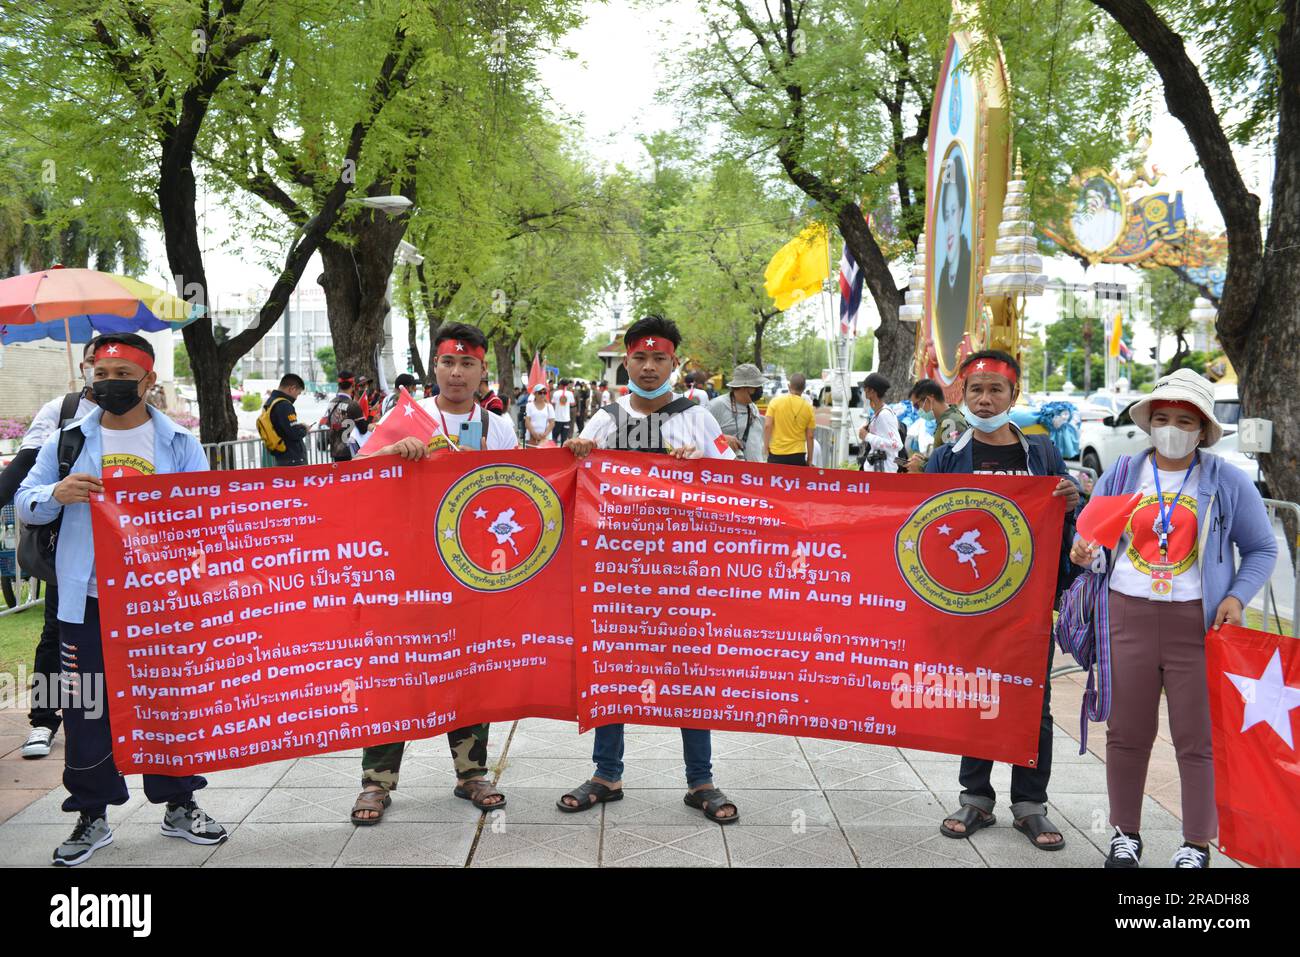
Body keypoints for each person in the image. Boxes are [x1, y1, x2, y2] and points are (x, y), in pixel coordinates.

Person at [15, 334, 227, 866]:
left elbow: (202, 515)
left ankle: (180, 802)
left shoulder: (177, 442)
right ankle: (92, 814)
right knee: (87, 706)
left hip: (158, 603)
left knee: (169, 703)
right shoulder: (67, 440)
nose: (109, 383)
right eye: (101, 373)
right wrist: (56, 494)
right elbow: (26, 502)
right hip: (84, 600)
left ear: (148, 380)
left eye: (121, 375)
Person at [1069, 369, 1277, 869]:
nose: (1171, 428)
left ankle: (1194, 844)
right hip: (1127, 616)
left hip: (1197, 626)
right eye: (1161, 418)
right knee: (1126, 732)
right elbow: (1100, 547)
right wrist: (1084, 554)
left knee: (1196, 737)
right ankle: (1125, 834)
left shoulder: (1225, 479)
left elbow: (1261, 548)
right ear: (1147, 423)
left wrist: (1237, 596)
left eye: (1185, 420)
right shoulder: (1122, 473)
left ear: (1203, 429)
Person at [560, 314, 740, 824]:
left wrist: (699, 472)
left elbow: (736, 490)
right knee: (611, 668)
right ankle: (606, 774)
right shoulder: (603, 418)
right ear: (626, 361)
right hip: (615, 575)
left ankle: (700, 780)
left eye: (659, 357)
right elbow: (569, 484)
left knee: (689, 672)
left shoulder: (698, 419)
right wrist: (575, 455)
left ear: (674, 363)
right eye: (639, 356)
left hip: (682, 573)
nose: (647, 366)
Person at [349, 322, 517, 825]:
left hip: (467, 573)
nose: (457, 372)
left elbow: (514, 493)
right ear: (435, 368)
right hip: (405, 570)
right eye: (448, 362)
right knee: (394, 670)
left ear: (483, 370)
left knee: (469, 670)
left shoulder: (496, 427)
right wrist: (391, 454)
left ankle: (472, 773)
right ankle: (376, 783)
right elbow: (355, 480)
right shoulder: (406, 417)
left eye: (468, 364)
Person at [927, 349, 1081, 851]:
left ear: (1014, 396)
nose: (986, 399)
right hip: (970, 603)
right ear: (962, 396)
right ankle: (976, 798)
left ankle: (1029, 804)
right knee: (977, 695)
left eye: (997, 389)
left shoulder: (1041, 453)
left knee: (1032, 702)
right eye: (976, 390)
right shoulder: (949, 456)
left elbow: (1069, 528)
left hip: (1030, 604)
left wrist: (1070, 499)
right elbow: (924, 523)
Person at [0, 341, 98, 759]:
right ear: (83, 366)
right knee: (57, 633)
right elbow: (24, 470)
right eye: (98, 364)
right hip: (69, 548)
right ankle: (43, 721)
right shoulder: (62, 414)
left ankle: (111, 721)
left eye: (121, 369)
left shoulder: (154, 427)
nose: (108, 375)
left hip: (131, 560)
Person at [935, 153, 973, 362]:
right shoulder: (941, 277)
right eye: (945, 215)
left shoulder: (970, 270)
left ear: (961, 213)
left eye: (954, 211)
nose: (949, 226)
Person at [706, 363, 766, 463]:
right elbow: (698, 437)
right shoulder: (717, 405)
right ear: (743, 387)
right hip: (728, 473)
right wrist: (722, 440)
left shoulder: (752, 407)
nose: (760, 390)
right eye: (756, 386)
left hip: (754, 474)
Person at [906, 378, 966, 472]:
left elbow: (950, 463)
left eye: (917, 406)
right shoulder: (944, 421)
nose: (918, 411)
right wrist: (923, 460)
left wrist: (921, 466)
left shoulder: (950, 423)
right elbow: (942, 456)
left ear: (929, 399)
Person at [764, 373, 816, 466]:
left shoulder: (775, 402)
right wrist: (810, 459)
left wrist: (766, 446)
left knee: (775, 480)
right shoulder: (808, 408)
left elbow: (768, 426)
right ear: (804, 388)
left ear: (789, 386)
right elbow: (810, 436)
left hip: (777, 453)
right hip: (798, 455)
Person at [260, 373, 309, 466]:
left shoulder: (270, 402)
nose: (296, 397)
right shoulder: (284, 405)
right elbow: (294, 433)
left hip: (280, 455)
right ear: (292, 388)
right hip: (293, 458)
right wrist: (304, 428)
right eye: (298, 393)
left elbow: (283, 426)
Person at [857, 372, 902, 472]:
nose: (863, 393)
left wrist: (867, 436)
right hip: (875, 470)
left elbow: (896, 444)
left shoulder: (884, 415)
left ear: (872, 391)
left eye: (864, 390)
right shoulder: (878, 413)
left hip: (883, 474)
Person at [324, 372, 367, 461]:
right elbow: (363, 430)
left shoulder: (332, 402)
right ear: (353, 385)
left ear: (339, 385)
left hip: (335, 450)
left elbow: (328, 423)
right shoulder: (353, 405)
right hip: (350, 451)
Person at [551, 378, 575, 444]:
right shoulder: (570, 393)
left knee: (554, 437)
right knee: (564, 439)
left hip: (557, 419)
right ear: (567, 385)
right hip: (566, 419)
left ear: (560, 385)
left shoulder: (556, 393)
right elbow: (573, 403)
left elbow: (552, 403)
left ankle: (554, 452)